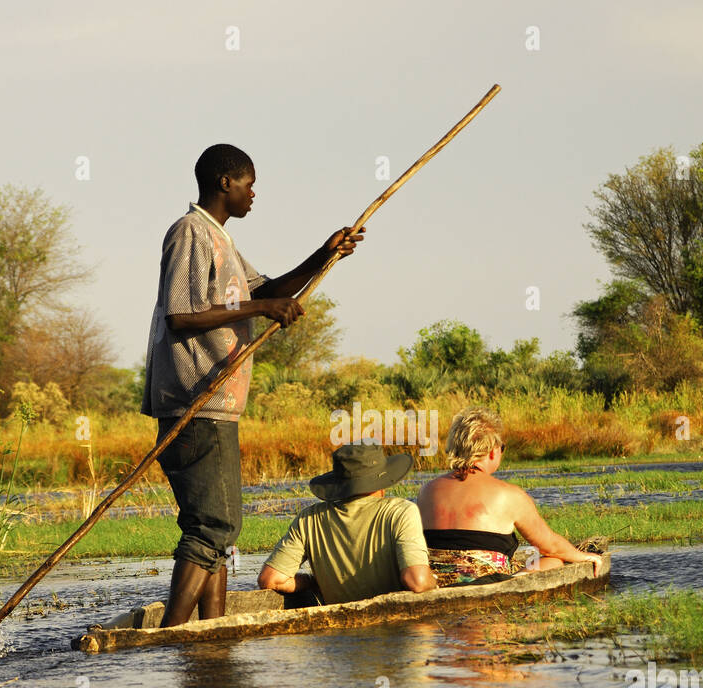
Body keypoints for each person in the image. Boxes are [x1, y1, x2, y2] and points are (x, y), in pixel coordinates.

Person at [144, 143, 365, 625]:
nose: (253, 194)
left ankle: (214, 634)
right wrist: (262, 309)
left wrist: (324, 255)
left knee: (217, 531)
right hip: (195, 402)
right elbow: (180, 315)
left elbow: (265, 290)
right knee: (215, 525)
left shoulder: (220, 239)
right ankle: (173, 634)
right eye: (249, 184)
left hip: (217, 405)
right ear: (225, 183)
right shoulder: (190, 232)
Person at [417, 406, 606, 587]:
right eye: (502, 448)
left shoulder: (427, 490)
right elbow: (550, 546)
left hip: (436, 582)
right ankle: (512, 579)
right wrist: (584, 556)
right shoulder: (509, 494)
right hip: (488, 581)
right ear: (493, 451)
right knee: (553, 561)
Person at [259, 444, 436, 604]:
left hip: (337, 628)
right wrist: (433, 581)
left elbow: (271, 579)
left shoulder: (309, 518)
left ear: (339, 484)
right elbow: (418, 582)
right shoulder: (401, 511)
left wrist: (311, 581)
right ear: (382, 482)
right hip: (392, 626)